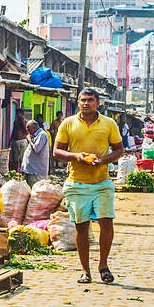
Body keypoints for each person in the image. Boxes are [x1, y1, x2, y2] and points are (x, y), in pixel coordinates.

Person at [53, 87, 123, 285]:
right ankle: (85, 270)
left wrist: (103, 161)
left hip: (102, 182)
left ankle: (103, 265)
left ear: (98, 103)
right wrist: (76, 157)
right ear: (78, 102)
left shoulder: (109, 124)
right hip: (77, 184)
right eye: (83, 100)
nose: (86, 103)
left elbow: (119, 150)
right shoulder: (68, 123)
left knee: (106, 223)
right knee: (81, 227)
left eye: (90, 100)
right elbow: (57, 151)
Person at [22, 118, 51, 187]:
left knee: (35, 191)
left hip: (36, 171)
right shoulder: (35, 135)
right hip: (30, 170)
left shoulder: (42, 135)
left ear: (34, 128)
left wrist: (29, 140)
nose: (27, 132)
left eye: (28, 129)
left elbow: (36, 149)